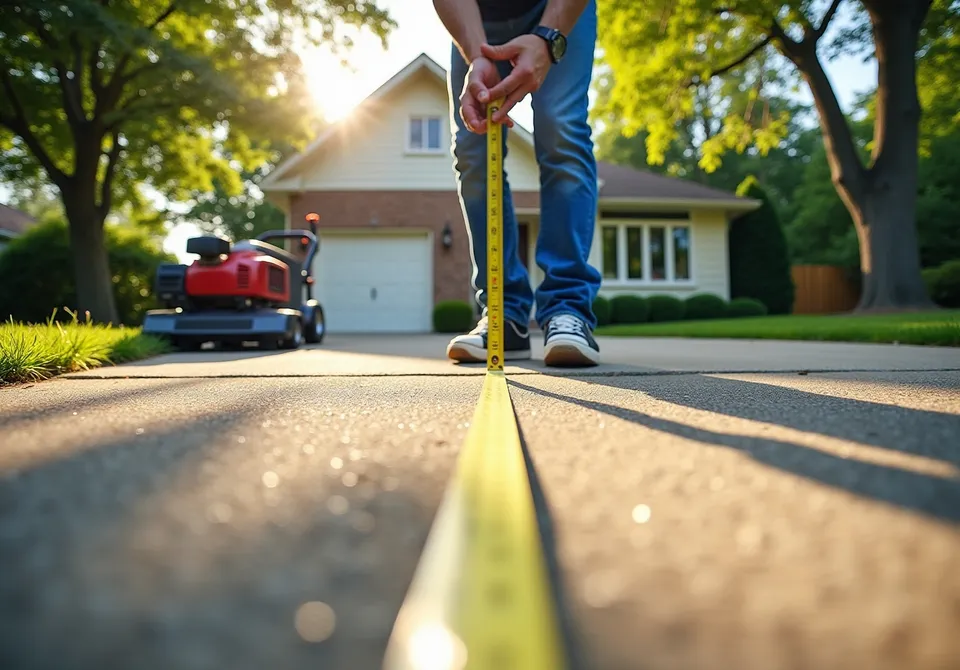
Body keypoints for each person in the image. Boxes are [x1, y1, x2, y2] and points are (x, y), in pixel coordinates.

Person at [434, 0, 602, 367]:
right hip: (475, 20)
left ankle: (567, 307)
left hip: (556, 8)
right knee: (472, 151)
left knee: (562, 130)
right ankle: (503, 314)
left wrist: (547, 36)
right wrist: (475, 53)